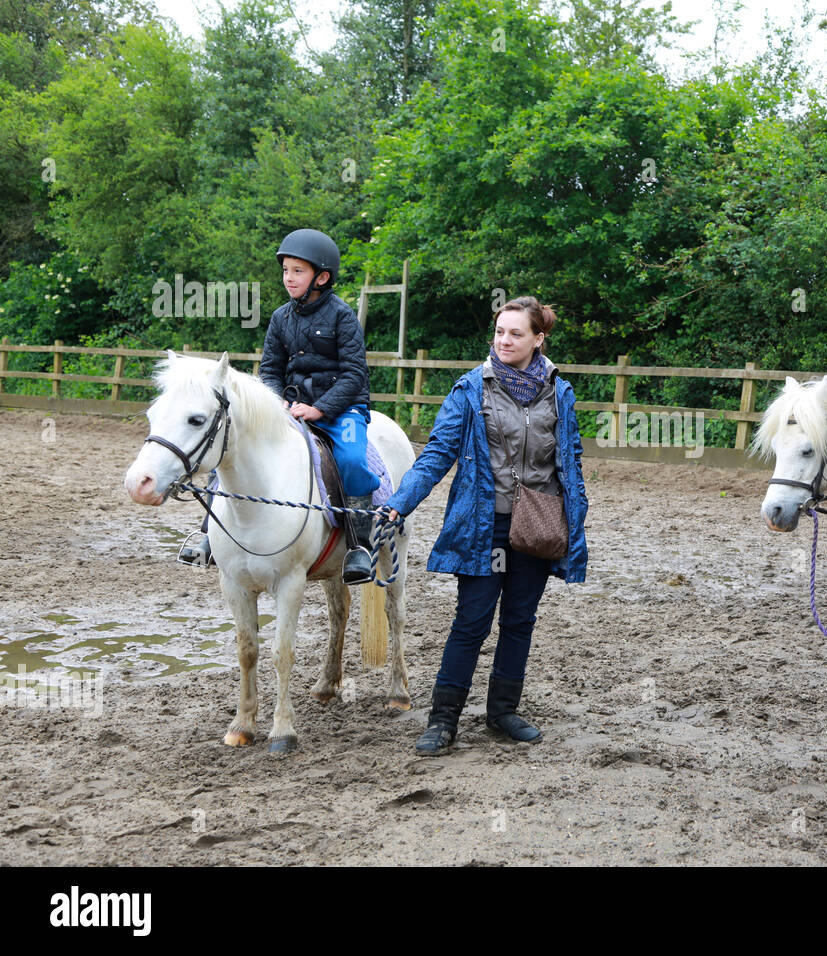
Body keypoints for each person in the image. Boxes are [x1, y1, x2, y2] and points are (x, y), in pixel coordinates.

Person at [382, 296, 588, 756]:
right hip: (484, 526)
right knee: (471, 621)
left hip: (537, 526)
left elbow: (569, 459)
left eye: (516, 333)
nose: (504, 340)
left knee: (520, 620)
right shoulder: (471, 389)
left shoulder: (560, 392)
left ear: (539, 338)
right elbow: (437, 454)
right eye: (499, 332)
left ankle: (502, 712)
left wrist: (576, 515)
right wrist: (399, 503)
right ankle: (443, 720)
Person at [177, 228, 380, 586]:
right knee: (228, 446)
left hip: (342, 409)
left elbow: (354, 375)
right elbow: (269, 369)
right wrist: (275, 404)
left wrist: (319, 409)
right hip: (290, 407)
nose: (288, 278)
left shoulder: (342, 316)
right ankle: (209, 534)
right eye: (285, 270)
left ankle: (358, 546)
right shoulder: (280, 317)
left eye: (297, 271)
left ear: (322, 276)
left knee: (351, 460)